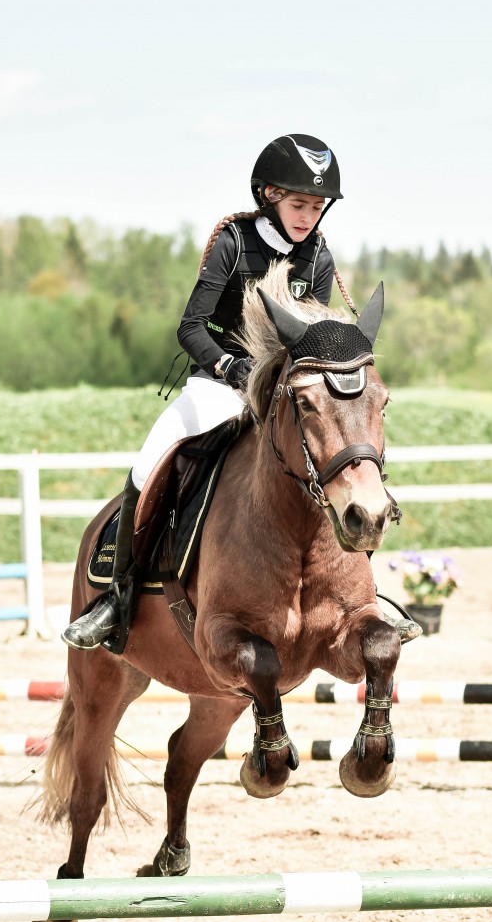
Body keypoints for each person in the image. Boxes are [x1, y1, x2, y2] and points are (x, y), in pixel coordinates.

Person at [63, 133, 354, 650]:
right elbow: (191, 327)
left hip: (281, 395)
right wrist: (232, 367)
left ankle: (358, 596)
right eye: (298, 203)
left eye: (315, 206)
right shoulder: (234, 243)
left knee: (341, 458)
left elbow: (308, 341)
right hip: (220, 384)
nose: (307, 215)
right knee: (147, 464)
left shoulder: (318, 257)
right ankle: (117, 598)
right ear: (269, 195)